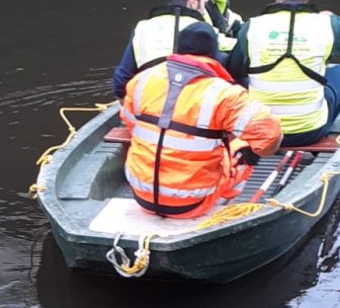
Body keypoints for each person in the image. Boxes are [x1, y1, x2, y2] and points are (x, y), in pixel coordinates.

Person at [120, 23, 282, 219]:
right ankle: (222, 202)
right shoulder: (225, 94)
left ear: (177, 49)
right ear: (214, 55)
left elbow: (130, 123)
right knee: (242, 146)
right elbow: (270, 135)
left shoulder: (141, 80)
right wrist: (257, 150)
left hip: (141, 195)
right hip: (191, 203)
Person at [226, 0, 340, 146]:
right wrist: (330, 17)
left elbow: (234, 69)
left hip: (260, 129)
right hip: (309, 133)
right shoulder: (328, 25)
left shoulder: (251, 27)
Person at [112, 0, 216, 101]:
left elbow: (121, 80)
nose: (205, 10)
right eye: (204, 4)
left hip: (148, 100)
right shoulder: (202, 30)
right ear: (193, 1)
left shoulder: (142, 27)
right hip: (187, 101)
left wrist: (127, 104)